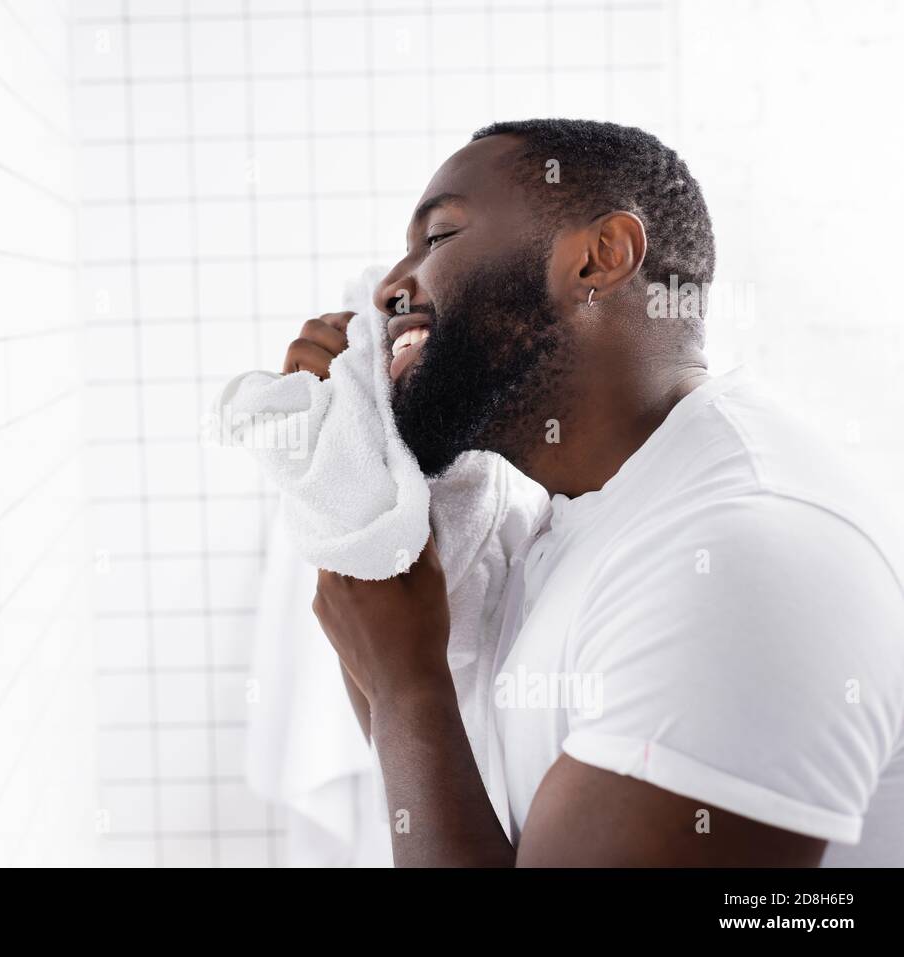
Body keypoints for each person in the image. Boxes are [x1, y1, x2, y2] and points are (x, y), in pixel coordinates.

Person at [282, 119, 904, 867]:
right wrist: (367, 536)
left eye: (440, 236)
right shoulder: (576, 521)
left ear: (601, 258)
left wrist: (403, 686)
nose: (388, 287)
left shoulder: (733, 553)